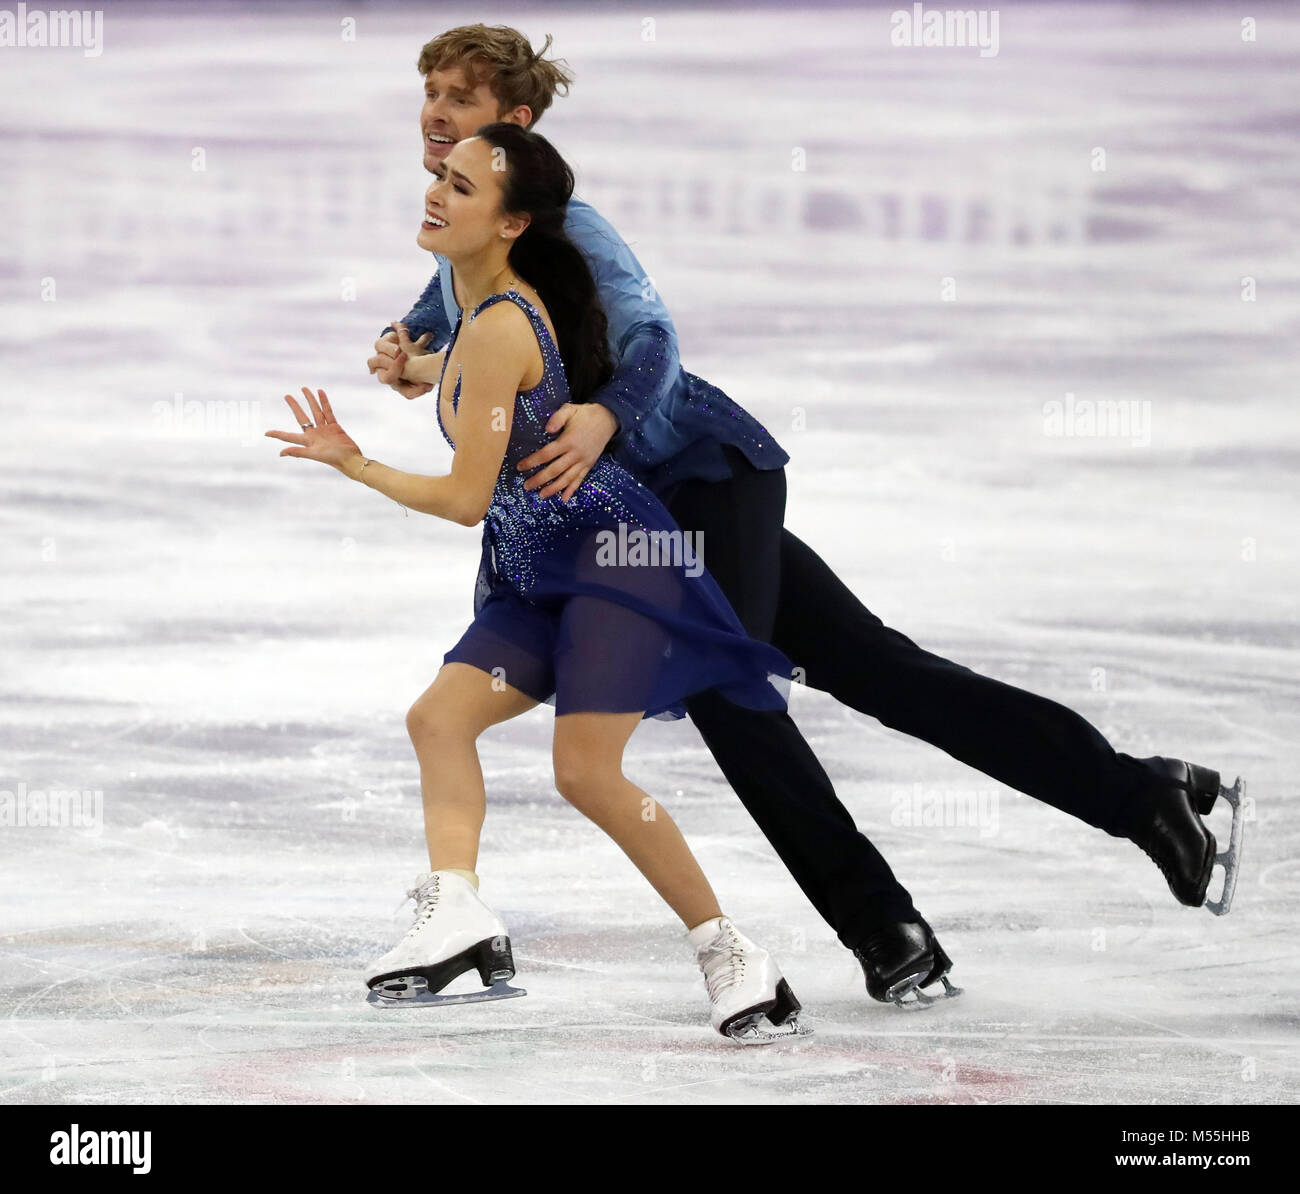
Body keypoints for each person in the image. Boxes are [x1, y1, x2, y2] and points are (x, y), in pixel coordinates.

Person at [369, 24, 1247, 1008]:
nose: (437, 115)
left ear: (516, 131)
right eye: (430, 93)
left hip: (705, 482)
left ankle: (881, 925)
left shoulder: (572, 228)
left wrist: (606, 409)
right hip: (634, 518)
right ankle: (1142, 794)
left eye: (461, 99)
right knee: (879, 670)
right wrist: (404, 350)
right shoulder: (467, 244)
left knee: (728, 690)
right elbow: (437, 321)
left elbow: (653, 334)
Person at [267, 123, 811, 1045]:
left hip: (614, 561)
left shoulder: (504, 321)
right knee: (439, 718)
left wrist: (351, 464)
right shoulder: (482, 322)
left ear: (512, 222)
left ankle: (731, 950)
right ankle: (458, 913)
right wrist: (416, 368)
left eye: (464, 187)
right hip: (542, 569)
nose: (437, 192)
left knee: (586, 772)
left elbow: (464, 500)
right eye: (441, 175)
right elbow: (476, 382)